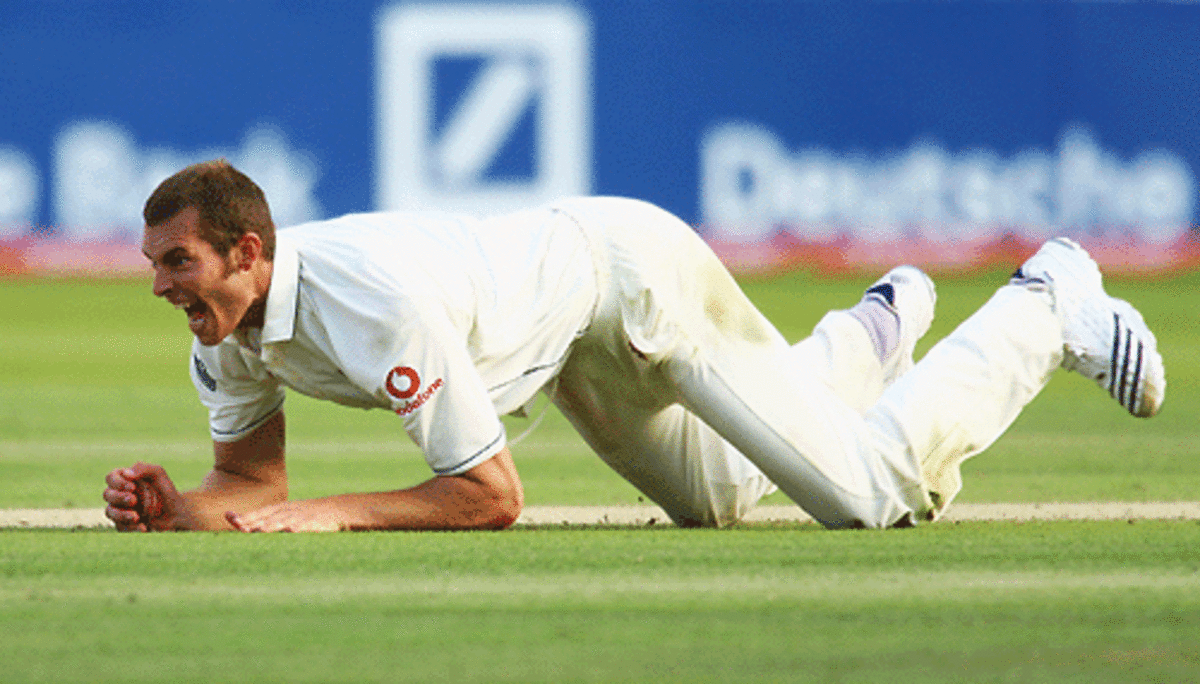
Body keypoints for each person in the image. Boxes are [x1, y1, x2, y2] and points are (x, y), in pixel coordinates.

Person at [103, 159, 1166, 532]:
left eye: (178, 263)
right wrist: (180, 508)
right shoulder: (224, 331)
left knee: (869, 497)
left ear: (248, 251)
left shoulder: (368, 301)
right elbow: (254, 484)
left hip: (630, 279)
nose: (160, 287)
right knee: (720, 503)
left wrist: (331, 513)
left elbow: (489, 497)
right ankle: (865, 338)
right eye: (155, 264)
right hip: (568, 345)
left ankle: (1047, 305)